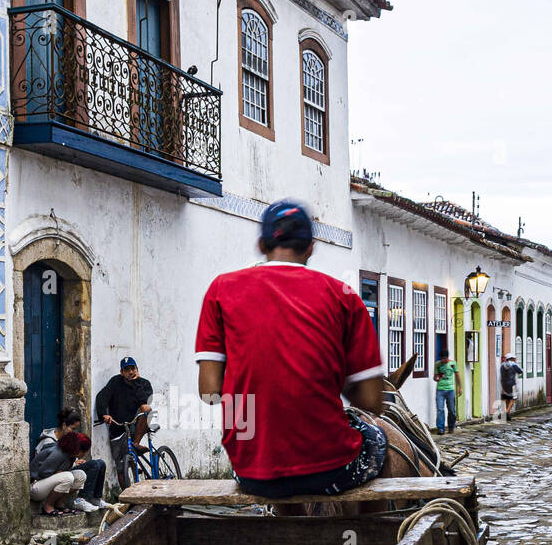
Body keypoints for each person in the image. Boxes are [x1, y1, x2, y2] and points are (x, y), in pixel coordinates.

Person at [195, 199, 387, 499]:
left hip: (250, 472)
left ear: (262, 244)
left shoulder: (221, 289)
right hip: (330, 469)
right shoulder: (345, 295)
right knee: (376, 436)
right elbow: (371, 401)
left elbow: (209, 393)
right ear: (310, 247)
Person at [96, 356, 153, 488]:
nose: (130, 372)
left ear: (137, 369)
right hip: (118, 426)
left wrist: (136, 382)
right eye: (127, 370)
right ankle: (126, 496)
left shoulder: (144, 383)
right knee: (121, 466)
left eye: (133, 368)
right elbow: (102, 396)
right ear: (122, 372)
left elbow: (143, 400)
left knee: (145, 408)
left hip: (136, 424)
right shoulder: (115, 382)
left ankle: (136, 443)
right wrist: (104, 414)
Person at [433, 351, 461, 434]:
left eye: (444, 358)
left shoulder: (453, 364)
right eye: (442, 358)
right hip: (440, 390)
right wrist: (437, 378)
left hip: (450, 390)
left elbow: (457, 375)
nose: (443, 360)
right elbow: (435, 377)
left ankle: (451, 426)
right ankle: (440, 428)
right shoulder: (437, 364)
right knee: (440, 409)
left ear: (447, 357)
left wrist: (460, 387)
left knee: (452, 410)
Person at [498, 354, 524, 421]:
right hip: (512, 384)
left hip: (503, 384)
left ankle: (507, 414)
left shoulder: (502, 365)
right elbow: (520, 371)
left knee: (504, 398)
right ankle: (506, 412)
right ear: (512, 358)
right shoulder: (513, 364)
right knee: (513, 399)